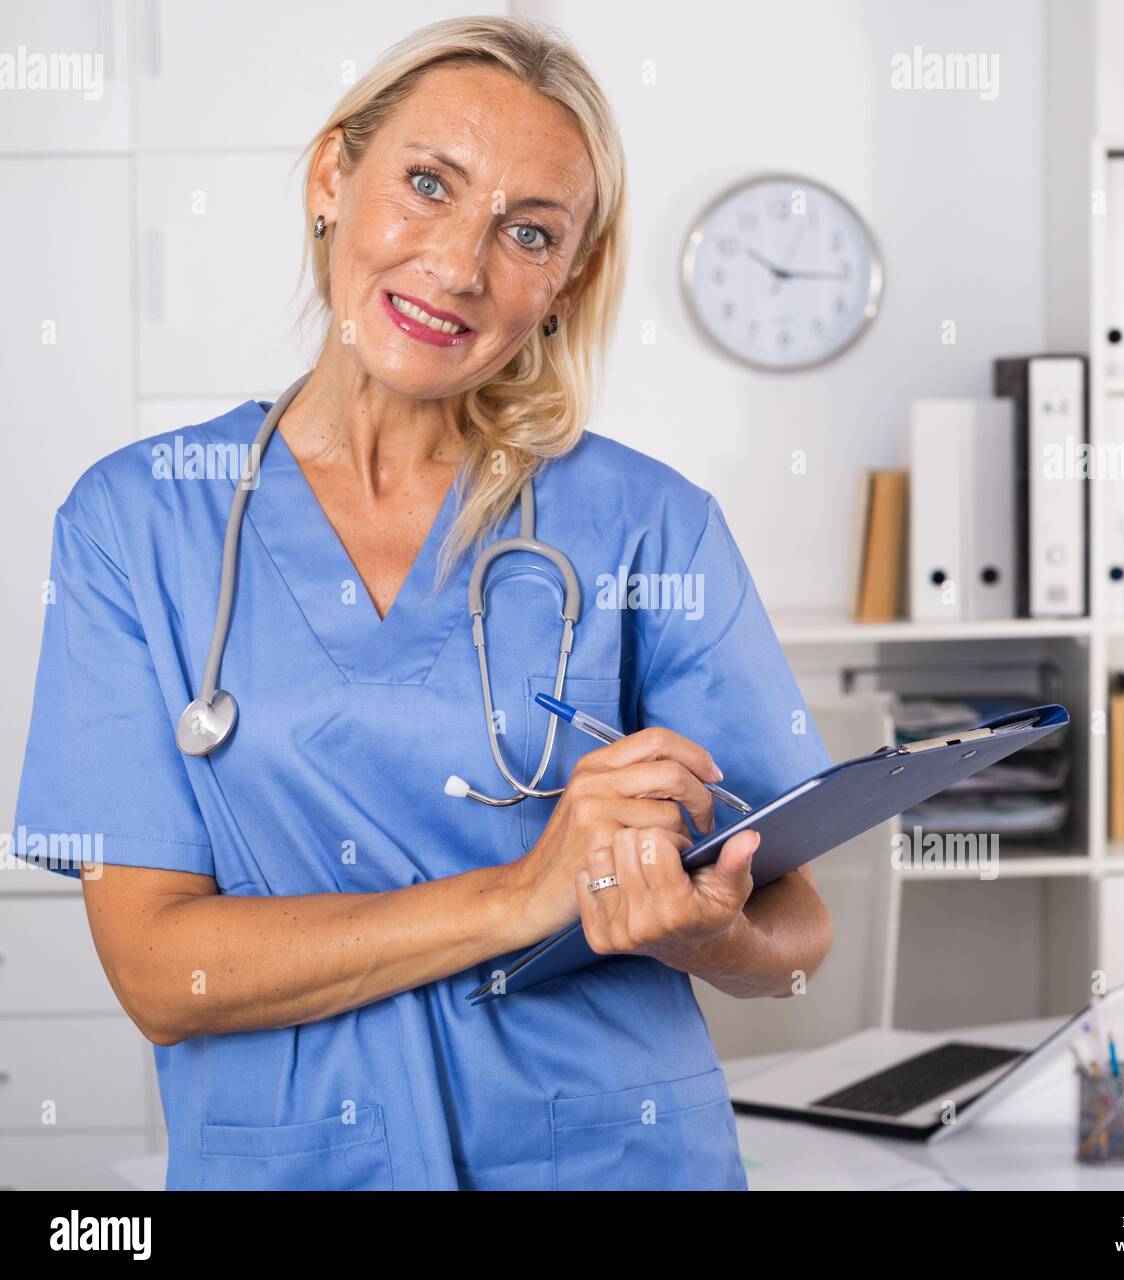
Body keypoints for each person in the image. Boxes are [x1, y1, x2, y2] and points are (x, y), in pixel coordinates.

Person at [14, 16, 832, 1191]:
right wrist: (521, 893)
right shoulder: (136, 523)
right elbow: (157, 972)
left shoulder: (651, 524)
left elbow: (797, 929)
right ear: (331, 178)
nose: (457, 265)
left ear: (567, 280)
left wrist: (711, 931)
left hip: (613, 1159)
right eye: (428, 184)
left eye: (528, 232)